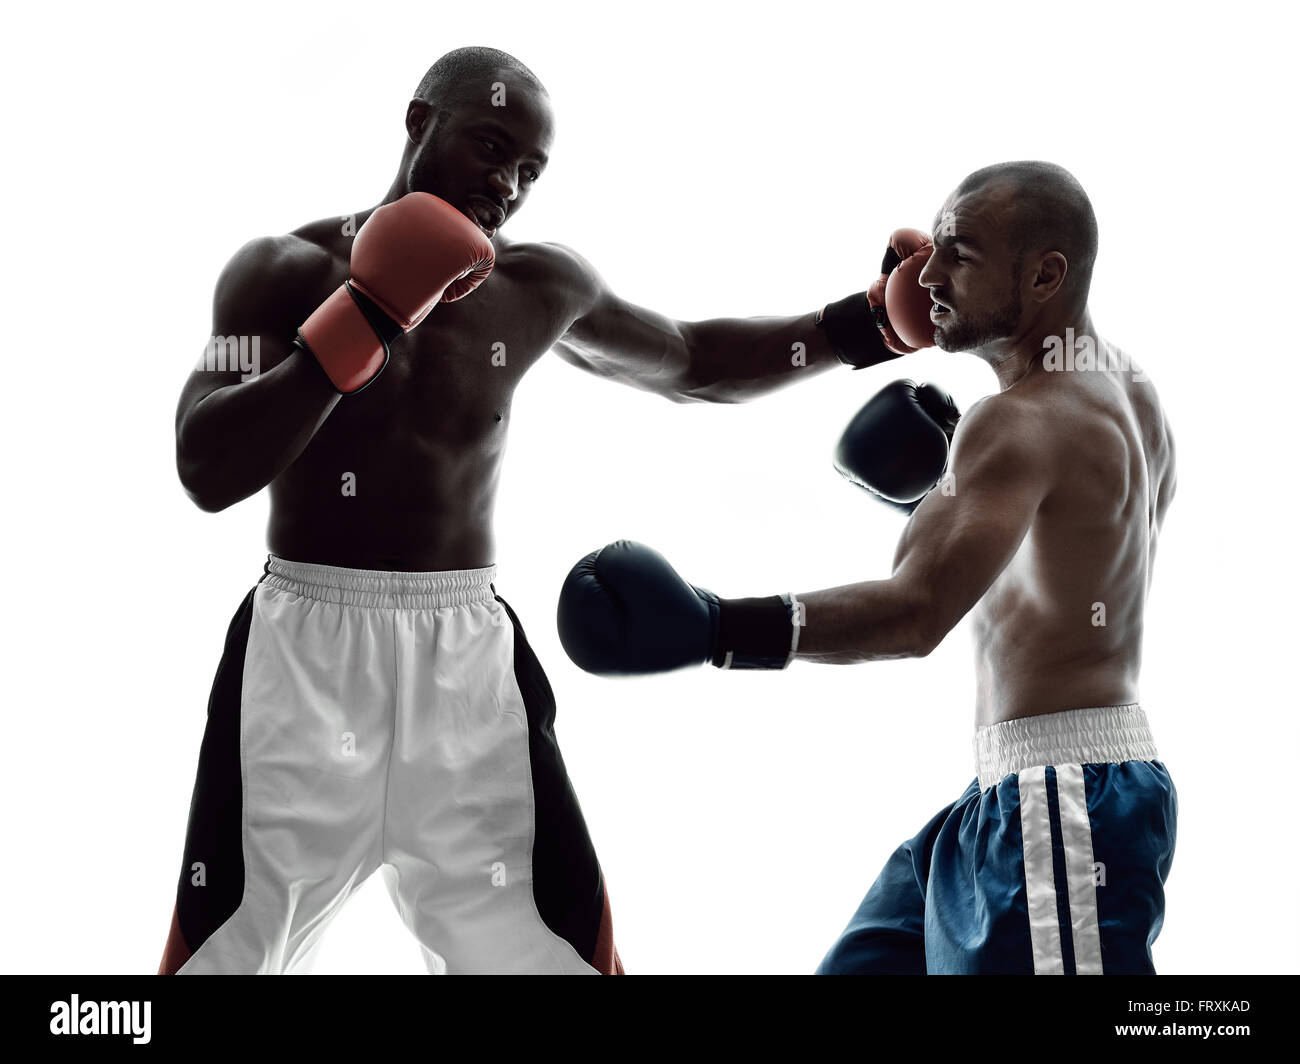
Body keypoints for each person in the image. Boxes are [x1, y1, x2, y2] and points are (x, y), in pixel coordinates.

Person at [159, 45, 930, 975]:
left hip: (465, 660)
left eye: (530, 169)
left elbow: (693, 361)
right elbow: (206, 466)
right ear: (418, 123)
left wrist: (865, 325)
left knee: (551, 957)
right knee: (224, 959)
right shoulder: (281, 268)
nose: (508, 182)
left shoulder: (539, 286)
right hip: (302, 656)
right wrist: (362, 314)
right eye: (491, 147)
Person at [558, 161, 1178, 975]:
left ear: (1045, 275)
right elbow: (1072, 553)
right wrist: (941, 496)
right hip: (1010, 797)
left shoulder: (1012, 425)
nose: (924, 276)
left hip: (1060, 807)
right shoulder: (1128, 388)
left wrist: (716, 626)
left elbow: (914, 614)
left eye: (959, 255)